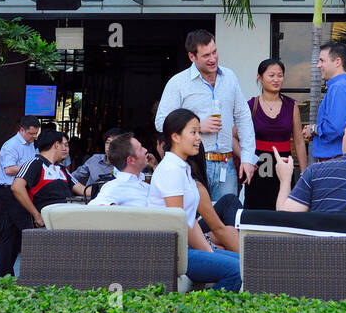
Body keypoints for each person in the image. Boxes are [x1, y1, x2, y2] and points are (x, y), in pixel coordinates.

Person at [154, 30, 255, 201]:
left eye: (214, 52)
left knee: (225, 221)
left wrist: (247, 158)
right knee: (195, 220)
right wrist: (198, 127)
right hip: (193, 164)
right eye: (206, 55)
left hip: (226, 163)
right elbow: (161, 122)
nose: (213, 58)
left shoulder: (230, 77)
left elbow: (244, 117)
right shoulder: (178, 82)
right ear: (192, 57)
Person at [148, 109, 242, 290]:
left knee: (244, 263)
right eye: (193, 132)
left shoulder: (183, 167)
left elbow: (190, 219)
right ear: (175, 137)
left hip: (186, 248)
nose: (199, 137)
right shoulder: (171, 170)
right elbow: (179, 222)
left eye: (199, 132)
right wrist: (210, 253)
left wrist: (209, 250)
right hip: (172, 252)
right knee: (236, 269)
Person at [244, 58, 306, 211]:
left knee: (283, 213)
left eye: (280, 75)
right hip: (257, 171)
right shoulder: (251, 105)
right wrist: (246, 160)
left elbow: (299, 142)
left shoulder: (291, 106)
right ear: (260, 77)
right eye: (271, 75)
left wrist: (304, 174)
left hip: (284, 169)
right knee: (255, 214)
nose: (276, 79)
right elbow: (234, 136)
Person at [11, 130, 88, 230]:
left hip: (66, 221)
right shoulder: (35, 163)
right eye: (64, 145)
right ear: (56, 145)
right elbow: (16, 187)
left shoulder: (62, 169)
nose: (66, 149)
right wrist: (36, 215)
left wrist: (106, 187)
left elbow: (83, 190)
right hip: (45, 224)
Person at [0, 116, 41, 277]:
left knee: (10, 234)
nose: (33, 136)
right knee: (27, 229)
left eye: (36, 134)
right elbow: (8, 169)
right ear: (21, 130)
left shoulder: (31, 145)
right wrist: (29, 168)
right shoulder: (11, 145)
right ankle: (32, 273)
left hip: (20, 189)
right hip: (9, 190)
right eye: (31, 133)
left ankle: (4, 274)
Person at [302, 41, 346, 163]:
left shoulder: (339, 88)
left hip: (336, 161)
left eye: (322, 60)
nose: (318, 65)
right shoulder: (341, 86)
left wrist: (313, 129)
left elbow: (335, 128)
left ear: (337, 62)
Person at [88, 132, 151, 208]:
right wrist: (116, 211)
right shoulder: (116, 186)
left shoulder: (144, 184)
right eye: (140, 149)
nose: (145, 150)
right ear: (131, 160)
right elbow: (93, 208)